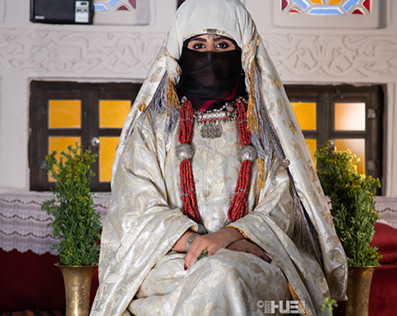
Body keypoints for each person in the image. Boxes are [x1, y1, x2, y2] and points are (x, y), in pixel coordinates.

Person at [90, 0, 348, 315]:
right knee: (216, 273)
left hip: (249, 255)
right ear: (180, 55)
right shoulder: (154, 129)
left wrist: (230, 237)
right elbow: (135, 209)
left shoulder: (261, 129)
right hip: (172, 262)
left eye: (222, 44)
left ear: (242, 56)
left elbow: (281, 206)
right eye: (198, 44)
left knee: (224, 273)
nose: (210, 55)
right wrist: (200, 243)